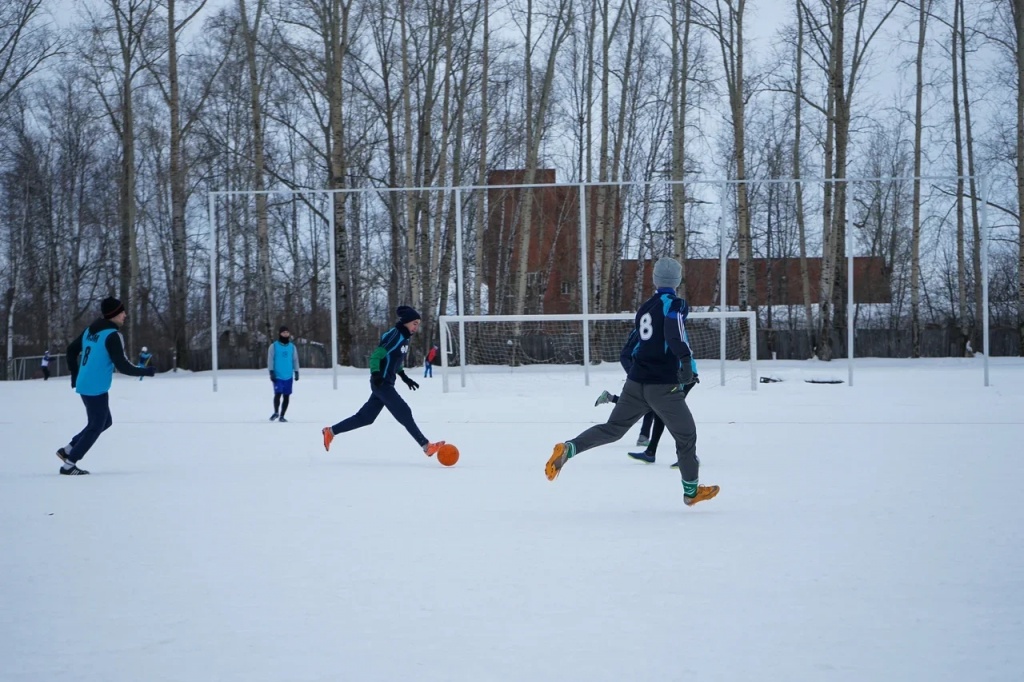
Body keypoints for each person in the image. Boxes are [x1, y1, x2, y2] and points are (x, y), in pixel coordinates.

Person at [544, 257, 719, 507]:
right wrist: (685, 362)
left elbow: (630, 349)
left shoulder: (645, 308)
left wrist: (636, 375)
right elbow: (674, 332)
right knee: (686, 435)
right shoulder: (676, 304)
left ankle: (569, 448)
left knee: (612, 429)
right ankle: (691, 493)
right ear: (677, 280)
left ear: (655, 280)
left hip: (635, 382)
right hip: (663, 386)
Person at [321, 306, 444, 457]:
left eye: (418, 324)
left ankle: (331, 431)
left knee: (366, 418)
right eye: (414, 323)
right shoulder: (395, 335)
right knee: (404, 411)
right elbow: (376, 356)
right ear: (405, 322)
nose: (416, 327)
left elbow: (395, 360)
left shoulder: (404, 338)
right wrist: (376, 374)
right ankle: (426, 446)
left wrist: (404, 377)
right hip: (382, 383)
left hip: (387, 383)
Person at [56, 296, 155, 475]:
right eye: (122, 311)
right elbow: (123, 366)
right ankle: (69, 464)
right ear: (114, 314)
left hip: (87, 384)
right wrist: (146, 371)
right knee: (96, 425)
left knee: (104, 421)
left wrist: (75, 375)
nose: (125, 315)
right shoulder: (112, 336)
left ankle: (69, 449)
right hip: (95, 387)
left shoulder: (90, 330)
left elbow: (71, 350)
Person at [595, 334, 700, 465]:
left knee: (668, 414)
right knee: (658, 411)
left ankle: (688, 457)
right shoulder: (651, 332)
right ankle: (650, 450)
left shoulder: (667, 329)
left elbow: (678, 350)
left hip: (681, 375)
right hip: (669, 376)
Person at [269, 325, 300, 422]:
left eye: (287, 332)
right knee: (278, 394)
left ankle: (282, 415)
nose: (285, 334)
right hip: (278, 375)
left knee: (286, 395)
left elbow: (295, 360)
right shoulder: (274, 346)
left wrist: (296, 371)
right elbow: (270, 359)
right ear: (280, 333)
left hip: (288, 376)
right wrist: (271, 372)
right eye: (283, 332)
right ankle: (276, 412)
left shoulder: (292, 347)